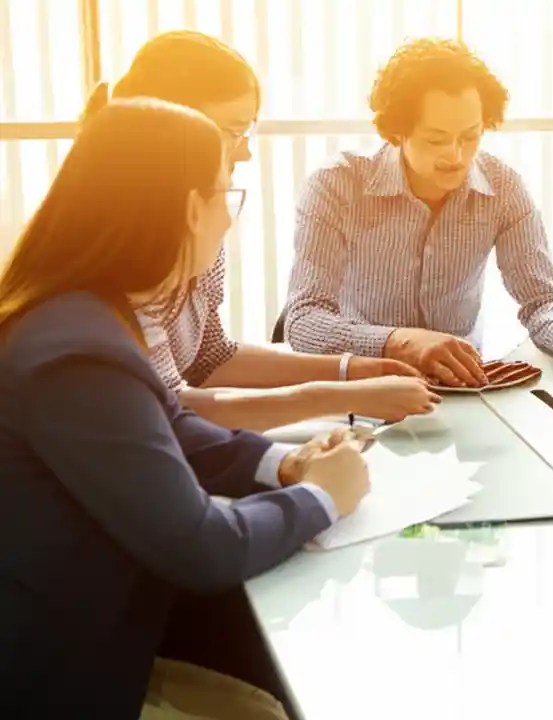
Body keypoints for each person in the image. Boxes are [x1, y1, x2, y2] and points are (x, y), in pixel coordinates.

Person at [0, 98, 371, 718]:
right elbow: (202, 548)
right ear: (186, 208)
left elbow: (171, 430)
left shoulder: (79, 312)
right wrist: (324, 498)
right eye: (226, 193)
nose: (229, 220)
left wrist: (285, 464)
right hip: (60, 673)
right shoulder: (76, 354)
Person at [85, 30, 438, 432]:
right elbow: (167, 412)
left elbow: (208, 358)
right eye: (232, 131)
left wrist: (351, 370)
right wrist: (340, 394)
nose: (246, 151)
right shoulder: (129, 246)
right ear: (168, 123)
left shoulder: (197, 225)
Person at [283, 37, 553, 386]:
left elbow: (542, 299)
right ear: (397, 131)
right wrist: (398, 342)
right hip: (363, 390)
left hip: (461, 389)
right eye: (436, 139)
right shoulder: (336, 186)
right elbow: (303, 321)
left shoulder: (503, 188)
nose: (456, 155)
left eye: (470, 137)